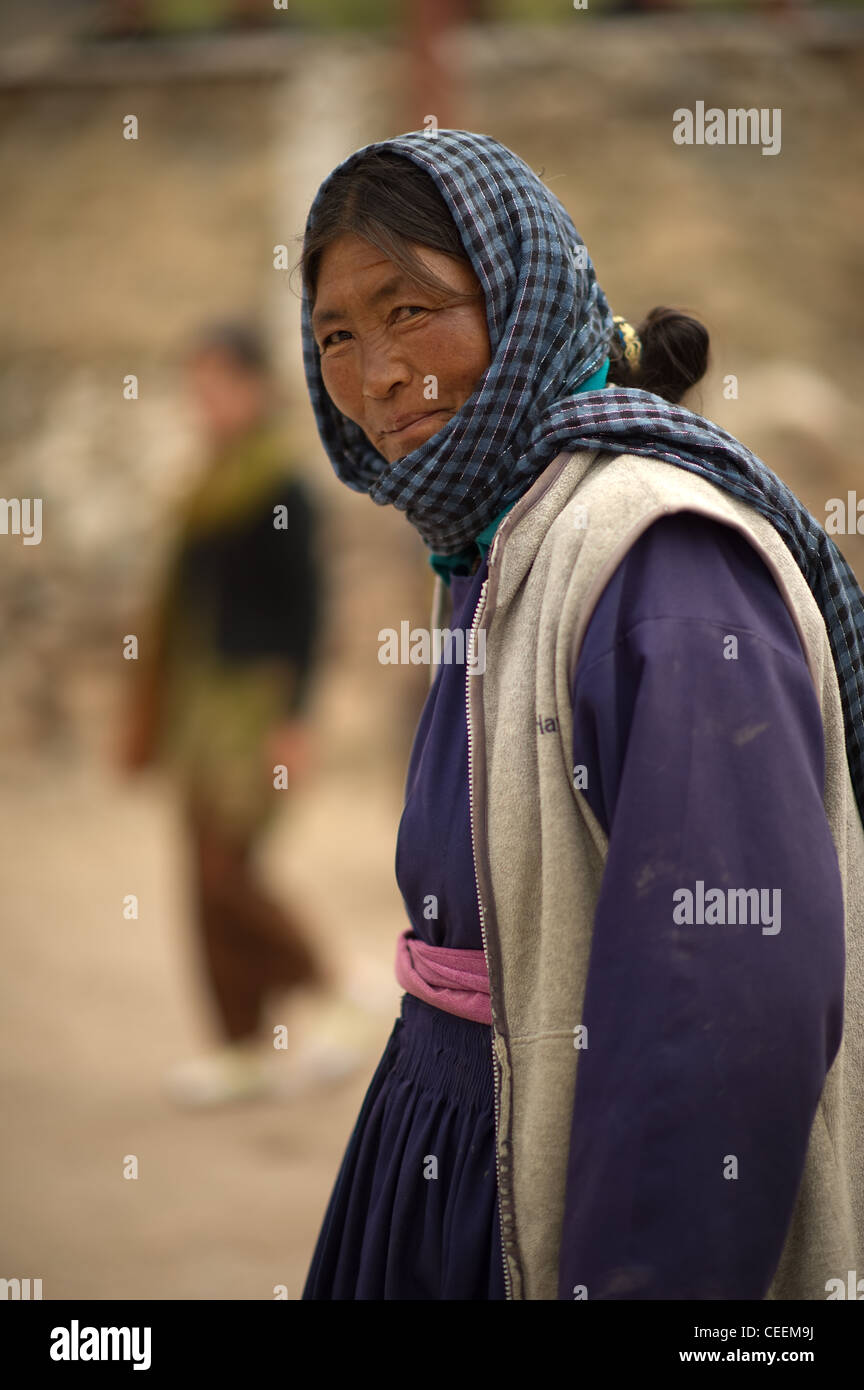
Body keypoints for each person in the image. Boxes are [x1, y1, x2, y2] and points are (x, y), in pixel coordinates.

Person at [296, 130, 864, 1300]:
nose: (377, 375)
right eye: (337, 335)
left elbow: (720, 1012)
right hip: (446, 1167)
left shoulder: (655, 562)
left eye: (409, 311)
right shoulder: (491, 542)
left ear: (523, 295)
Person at [120, 321, 365, 1106]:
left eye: (216, 384)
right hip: (200, 707)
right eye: (195, 385)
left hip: (254, 710)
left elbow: (308, 612)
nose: (203, 401)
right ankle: (240, 1047)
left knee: (228, 874)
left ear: (254, 388)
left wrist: (293, 721)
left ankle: (332, 990)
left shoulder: (279, 485)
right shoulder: (205, 483)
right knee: (198, 876)